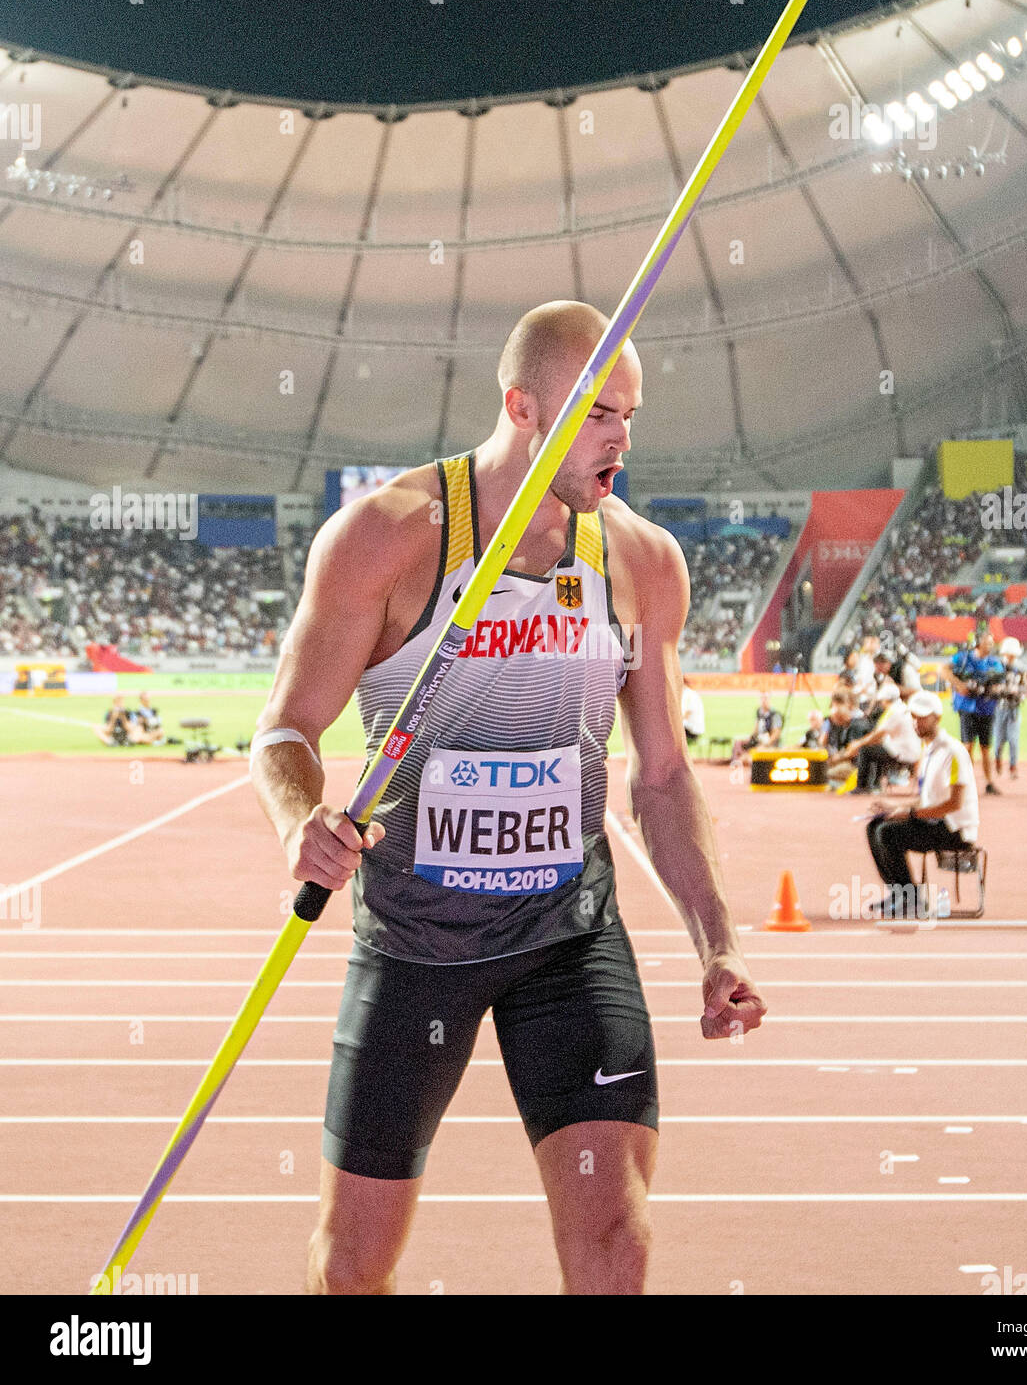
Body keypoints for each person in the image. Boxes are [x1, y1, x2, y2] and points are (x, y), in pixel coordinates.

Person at [250, 300, 767, 1297]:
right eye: (595, 414)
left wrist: (718, 944)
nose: (619, 440)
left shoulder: (638, 560)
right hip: (416, 945)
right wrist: (298, 818)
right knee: (351, 1267)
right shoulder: (389, 538)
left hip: (567, 938)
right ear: (521, 406)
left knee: (615, 1236)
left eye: (629, 415)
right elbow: (284, 734)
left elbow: (662, 777)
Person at [865, 690, 980, 919]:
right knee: (875, 825)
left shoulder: (952, 751)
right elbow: (928, 799)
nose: (916, 722)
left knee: (888, 833)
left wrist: (910, 813)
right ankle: (900, 894)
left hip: (954, 828)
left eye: (922, 717)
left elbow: (955, 803)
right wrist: (893, 808)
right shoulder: (928, 752)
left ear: (937, 717)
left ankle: (912, 898)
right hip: (934, 821)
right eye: (914, 717)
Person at [833, 682, 921, 794]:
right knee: (878, 749)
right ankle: (875, 784)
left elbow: (877, 734)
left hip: (902, 753)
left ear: (885, 700)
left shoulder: (893, 712)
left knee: (866, 750)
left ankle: (862, 787)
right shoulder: (903, 708)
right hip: (912, 751)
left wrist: (858, 744)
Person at [948, 631, 1003, 795]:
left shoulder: (994, 662)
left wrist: (993, 689)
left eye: (992, 643)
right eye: (988, 642)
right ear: (978, 644)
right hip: (967, 708)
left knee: (986, 748)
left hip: (986, 708)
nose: (991, 646)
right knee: (967, 746)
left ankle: (989, 782)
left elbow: (1000, 682)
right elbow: (942, 670)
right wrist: (959, 686)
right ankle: (968, 782)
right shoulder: (963, 658)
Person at [991, 637, 1027, 782]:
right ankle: (998, 759)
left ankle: (1013, 766)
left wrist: (1018, 692)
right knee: (999, 739)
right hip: (999, 707)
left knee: (1013, 739)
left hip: (1014, 708)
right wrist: (1002, 690)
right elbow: (992, 687)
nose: (1010, 656)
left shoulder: (1021, 668)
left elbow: (1025, 686)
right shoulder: (997, 667)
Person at [823, 688, 873, 788]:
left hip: (858, 767)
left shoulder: (857, 724)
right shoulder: (847, 724)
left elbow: (853, 751)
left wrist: (837, 758)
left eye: (836, 706)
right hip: (853, 762)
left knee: (823, 773)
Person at [730, 691, 783, 765]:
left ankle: (746, 759)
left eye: (766, 698)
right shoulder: (759, 712)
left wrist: (767, 744)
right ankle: (738, 761)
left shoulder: (775, 715)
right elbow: (756, 728)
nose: (764, 701)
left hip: (770, 744)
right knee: (738, 743)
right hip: (758, 740)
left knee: (753, 755)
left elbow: (776, 733)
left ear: (769, 700)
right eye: (762, 698)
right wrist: (750, 738)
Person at [681, 678, 705, 746]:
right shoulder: (692, 693)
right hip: (697, 728)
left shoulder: (687, 694)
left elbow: (686, 714)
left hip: (693, 729)